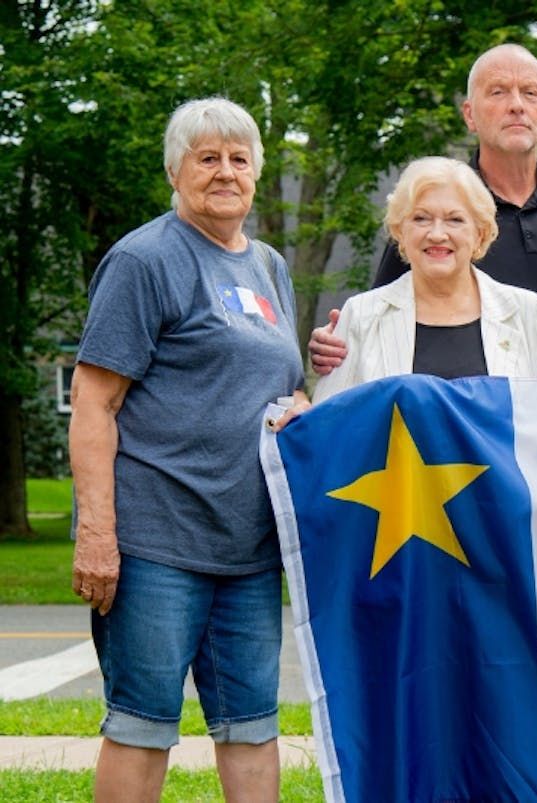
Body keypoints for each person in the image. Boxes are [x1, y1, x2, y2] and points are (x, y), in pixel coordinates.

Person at [68, 97, 306, 802]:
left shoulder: (268, 266)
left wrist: (299, 404)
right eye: (208, 158)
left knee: (252, 727)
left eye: (239, 159)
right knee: (142, 727)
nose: (225, 172)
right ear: (176, 169)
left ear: (257, 174)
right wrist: (99, 533)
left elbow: (270, 384)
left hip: (249, 550)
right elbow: (94, 401)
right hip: (156, 544)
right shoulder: (145, 259)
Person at [309, 43, 537, 372]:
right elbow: (383, 319)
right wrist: (338, 344)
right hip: (466, 405)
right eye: (498, 92)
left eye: (530, 93)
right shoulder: (432, 206)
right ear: (469, 115)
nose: (517, 105)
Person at [292, 155, 537, 408]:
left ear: (480, 234)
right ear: (400, 231)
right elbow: (331, 428)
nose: (437, 234)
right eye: (421, 218)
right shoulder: (361, 316)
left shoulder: (528, 312)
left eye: (455, 220)